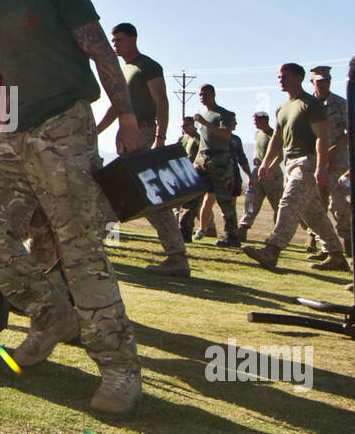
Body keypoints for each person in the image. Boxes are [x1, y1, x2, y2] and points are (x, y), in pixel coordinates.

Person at [0, 0, 145, 414]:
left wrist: (125, 115)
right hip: (14, 136)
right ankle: (51, 312)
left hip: (65, 128)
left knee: (80, 246)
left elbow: (101, 52)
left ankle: (120, 369)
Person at [96, 23, 191, 278]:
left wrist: (160, 137)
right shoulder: (122, 69)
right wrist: (95, 131)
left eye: (120, 40)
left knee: (122, 191)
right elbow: (115, 108)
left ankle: (91, 248)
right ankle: (176, 256)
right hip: (127, 137)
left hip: (144, 134)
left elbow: (162, 100)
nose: (115, 44)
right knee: (147, 194)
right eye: (113, 40)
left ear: (133, 39)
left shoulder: (147, 66)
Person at [242, 63, 347, 271]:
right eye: (279, 76)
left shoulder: (312, 104)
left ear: (299, 78)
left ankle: (272, 249)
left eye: (285, 76)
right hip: (290, 162)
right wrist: (266, 164)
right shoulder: (282, 108)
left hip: (307, 162)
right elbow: (277, 139)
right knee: (313, 214)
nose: (281, 80)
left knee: (289, 202)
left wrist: (321, 166)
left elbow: (321, 137)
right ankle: (336, 255)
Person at [306, 65, 351, 256]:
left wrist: (333, 151)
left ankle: (348, 239)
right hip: (313, 161)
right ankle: (319, 242)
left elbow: (352, 132)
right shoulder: (306, 104)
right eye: (319, 82)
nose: (323, 85)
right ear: (312, 83)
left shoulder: (341, 104)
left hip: (337, 161)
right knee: (316, 203)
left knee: (339, 203)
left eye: (327, 81)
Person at [192, 84, 241, 247]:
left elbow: (225, 134)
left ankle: (232, 236)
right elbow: (204, 140)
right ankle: (185, 229)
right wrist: (196, 159)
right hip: (203, 158)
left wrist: (205, 123)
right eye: (200, 94)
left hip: (220, 160)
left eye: (205, 94)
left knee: (224, 200)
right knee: (192, 194)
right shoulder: (204, 115)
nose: (202, 97)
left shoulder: (224, 114)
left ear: (213, 94)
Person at [238, 110, 283, 238]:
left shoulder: (274, 134)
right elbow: (257, 150)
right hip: (258, 171)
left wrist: (269, 169)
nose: (254, 123)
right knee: (251, 201)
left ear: (264, 120)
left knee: (278, 204)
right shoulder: (257, 134)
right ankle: (243, 227)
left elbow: (279, 157)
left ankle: (277, 234)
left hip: (271, 173)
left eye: (256, 120)